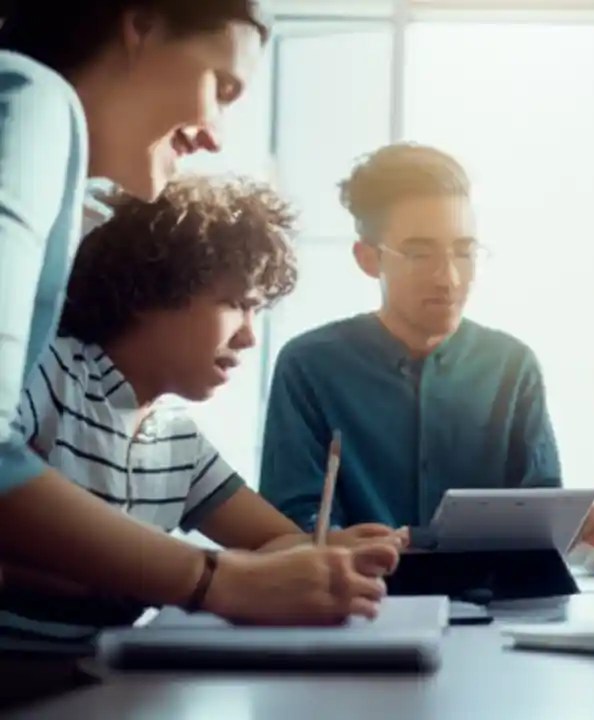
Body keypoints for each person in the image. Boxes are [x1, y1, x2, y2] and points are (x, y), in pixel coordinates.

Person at [0, 0, 395, 636]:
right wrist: (215, 580)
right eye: (222, 86)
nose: (215, 134)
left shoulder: (51, 149)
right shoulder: (35, 101)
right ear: (142, 24)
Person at [2, 176, 404, 655]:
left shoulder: (176, 439)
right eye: (236, 305)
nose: (250, 337)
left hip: (97, 685)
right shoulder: (47, 371)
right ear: (150, 290)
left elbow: (272, 542)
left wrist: (327, 552)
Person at [259, 144, 561, 531]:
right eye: (420, 254)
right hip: (357, 589)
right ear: (368, 258)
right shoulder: (309, 367)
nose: (449, 278)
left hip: (489, 591)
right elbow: (295, 521)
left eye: (464, 252)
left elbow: (543, 509)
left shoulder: (512, 366)